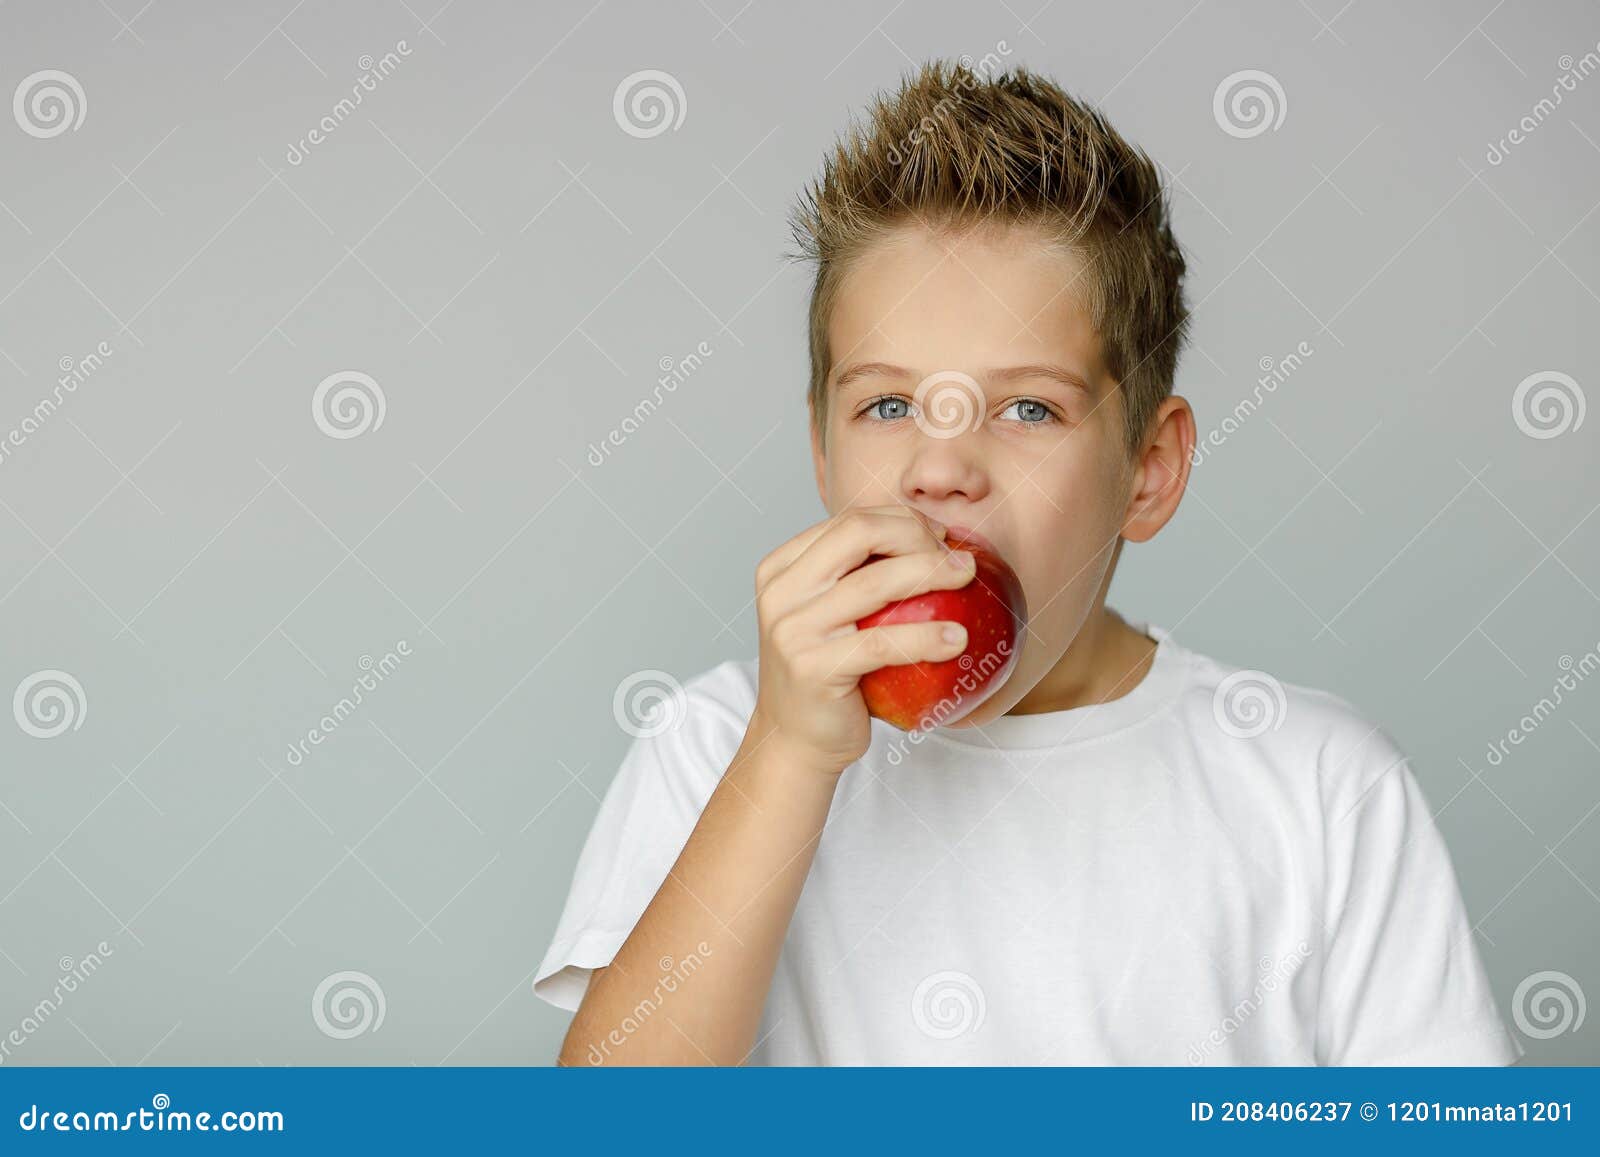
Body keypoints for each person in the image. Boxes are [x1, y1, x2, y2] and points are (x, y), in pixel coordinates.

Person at [533, 59, 1522, 1067]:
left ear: (1146, 470)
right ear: (824, 452)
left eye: (1027, 408)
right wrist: (786, 757)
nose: (942, 466)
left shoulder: (1318, 785)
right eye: (887, 404)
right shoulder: (714, 746)